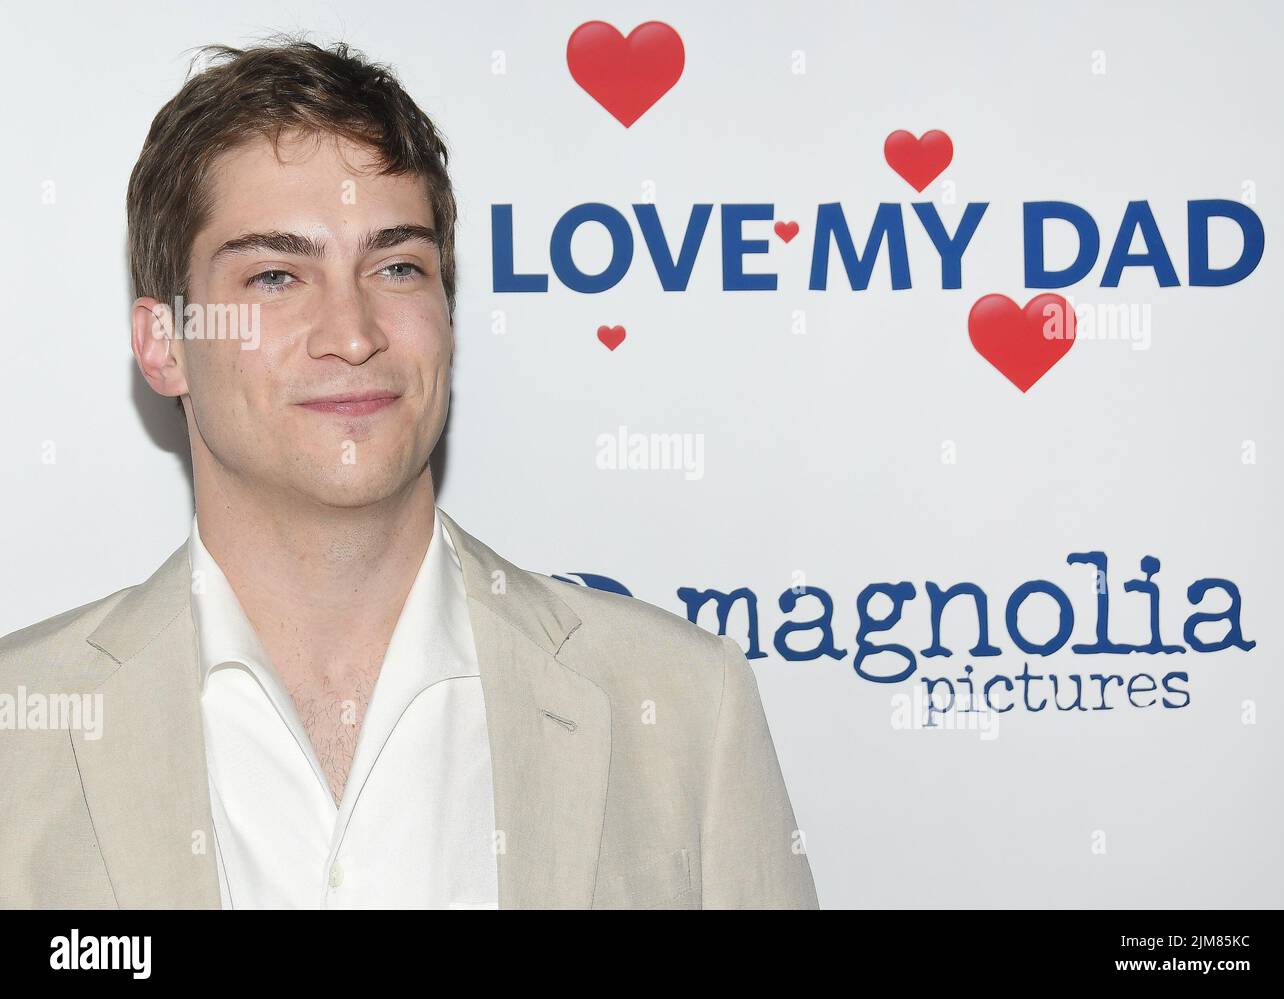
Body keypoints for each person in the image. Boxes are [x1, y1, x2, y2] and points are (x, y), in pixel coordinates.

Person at [0, 38, 817, 910]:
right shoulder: (22, 731)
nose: (353, 332)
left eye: (396, 266)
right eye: (276, 276)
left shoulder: (684, 708)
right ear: (164, 343)